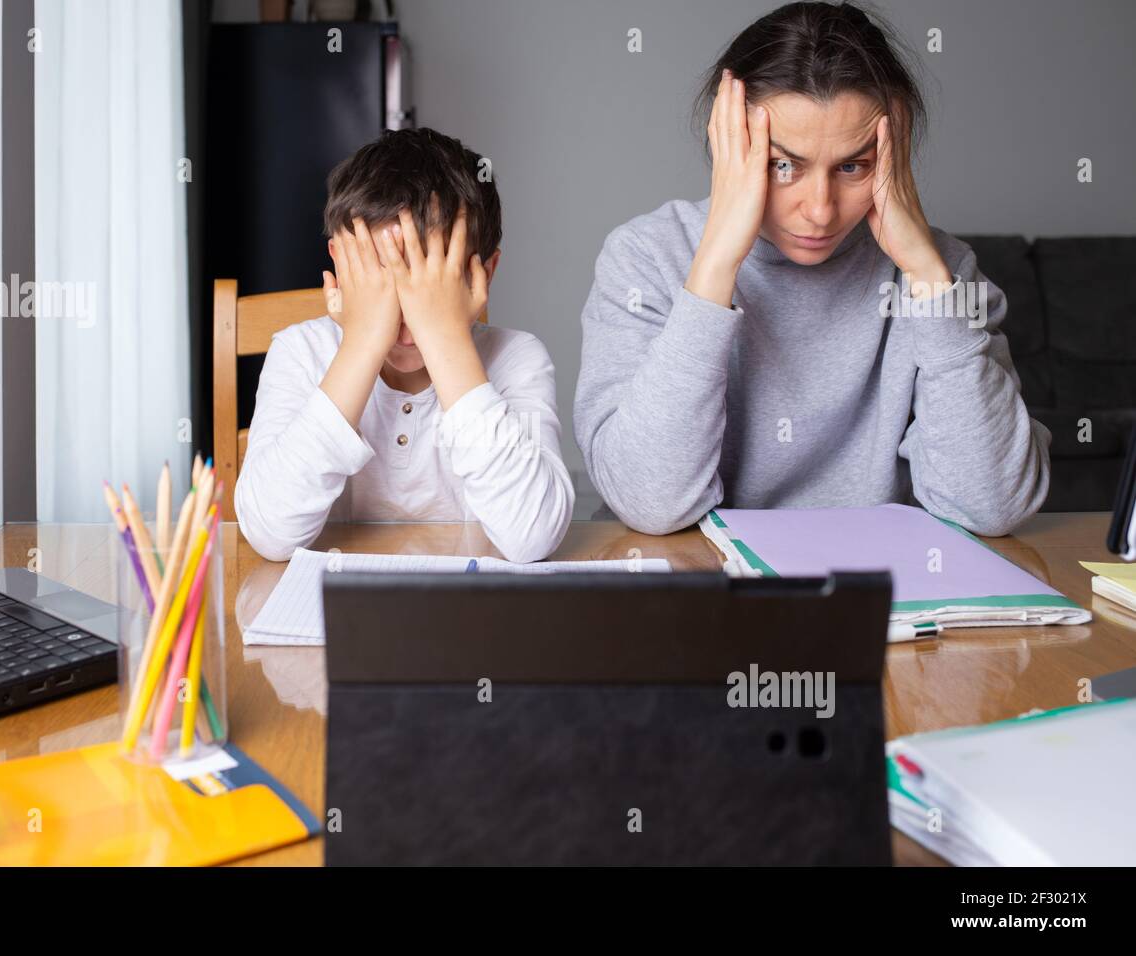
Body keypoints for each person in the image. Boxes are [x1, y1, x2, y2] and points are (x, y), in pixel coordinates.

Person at [575, 0, 1049, 536]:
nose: (820, 209)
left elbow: (993, 508)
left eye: (853, 166)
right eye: (784, 165)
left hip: (879, 598)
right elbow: (650, 503)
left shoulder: (943, 273)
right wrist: (715, 265)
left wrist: (928, 278)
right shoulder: (645, 257)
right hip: (697, 592)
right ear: (727, 144)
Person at [236, 128, 574, 562]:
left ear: (484, 274)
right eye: (384, 285)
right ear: (340, 264)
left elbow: (534, 536)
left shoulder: (516, 359)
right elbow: (271, 534)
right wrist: (361, 343)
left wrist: (445, 338)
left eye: (430, 291)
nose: (407, 327)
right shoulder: (300, 352)